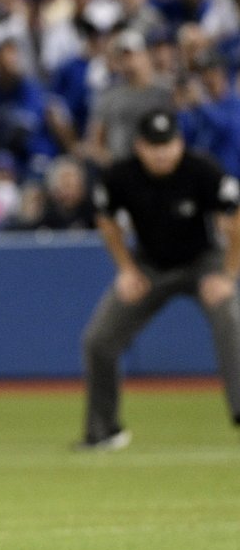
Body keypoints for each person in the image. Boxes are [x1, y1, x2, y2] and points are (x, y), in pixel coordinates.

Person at [80, 108, 240, 450]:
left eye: (168, 143)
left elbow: (236, 213)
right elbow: (105, 218)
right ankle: (103, 430)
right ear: (139, 146)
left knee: (231, 316)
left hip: (203, 262)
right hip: (149, 265)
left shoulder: (201, 169)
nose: (163, 151)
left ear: (180, 142)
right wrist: (125, 268)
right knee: (99, 339)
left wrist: (228, 273)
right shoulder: (121, 175)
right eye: (154, 145)